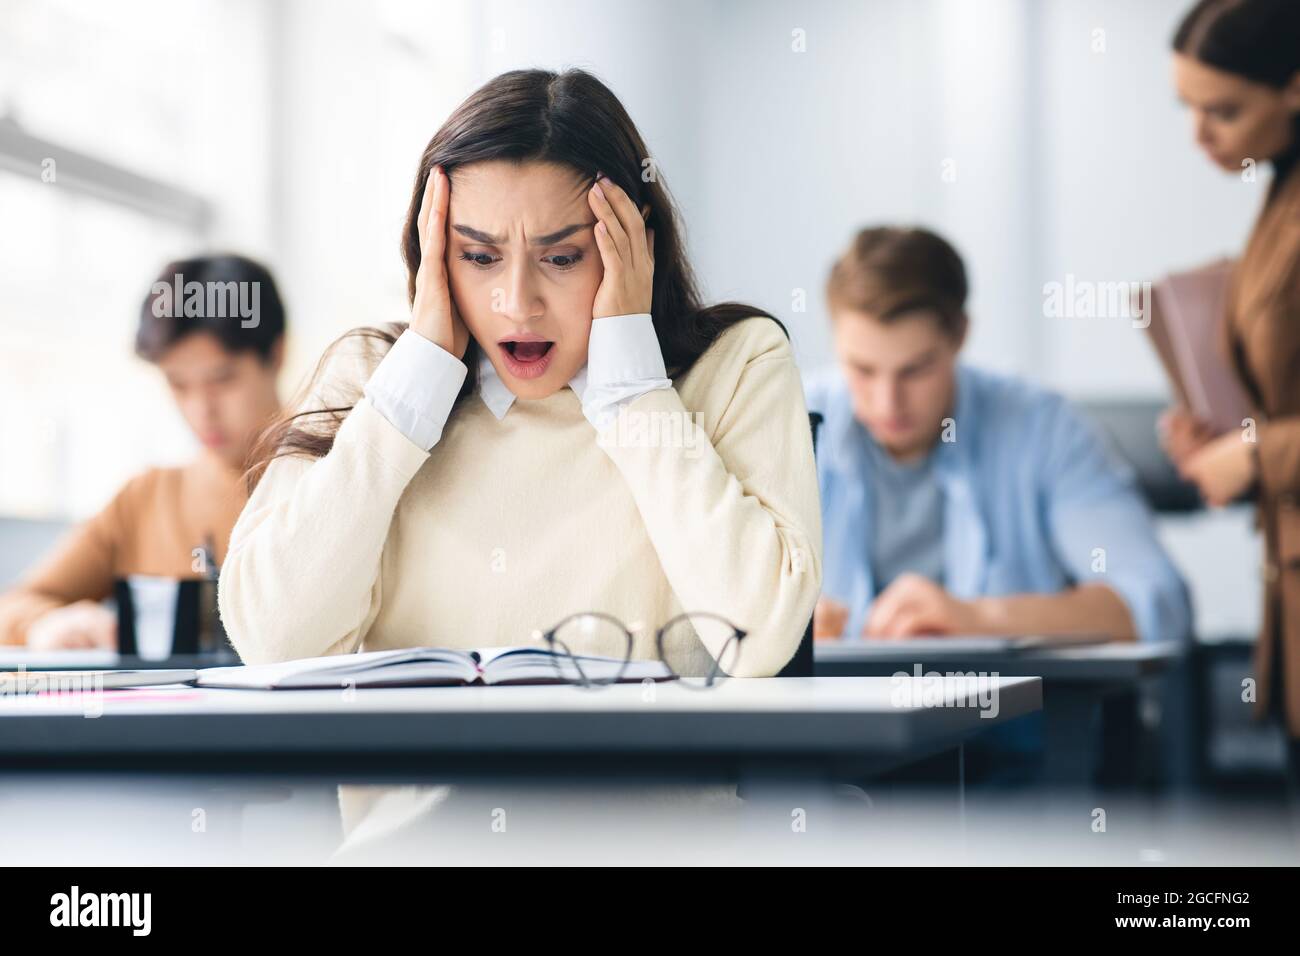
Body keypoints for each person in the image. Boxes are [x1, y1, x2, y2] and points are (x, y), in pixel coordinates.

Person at [219, 68, 822, 686]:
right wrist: (414, 389)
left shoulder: (737, 363)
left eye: (561, 258)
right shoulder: (374, 377)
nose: (517, 302)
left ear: (633, 244)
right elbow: (272, 641)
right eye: (479, 257)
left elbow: (760, 638)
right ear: (434, 255)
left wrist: (632, 391)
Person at [806, 226, 1191, 647]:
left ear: (960, 336)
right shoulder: (787, 422)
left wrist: (979, 618)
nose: (886, 403)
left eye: (914, 369)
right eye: (862, 370)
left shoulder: (1043, 427)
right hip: (830, 712)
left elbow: (1159, 602)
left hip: (1004, 713)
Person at [0, 255, 286, 649]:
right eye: (178, 385)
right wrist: (43, 625)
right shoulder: (144, 500)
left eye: (222, 379)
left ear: (278, 354)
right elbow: (16, 606)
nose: (202, 410)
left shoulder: (334, 476)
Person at [1159, 0, 1300, 747]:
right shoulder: (1280, 191)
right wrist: (1221, 436)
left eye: (1224, 111)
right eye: (1188, 107)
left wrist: (1253, 454)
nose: (1200, 136)